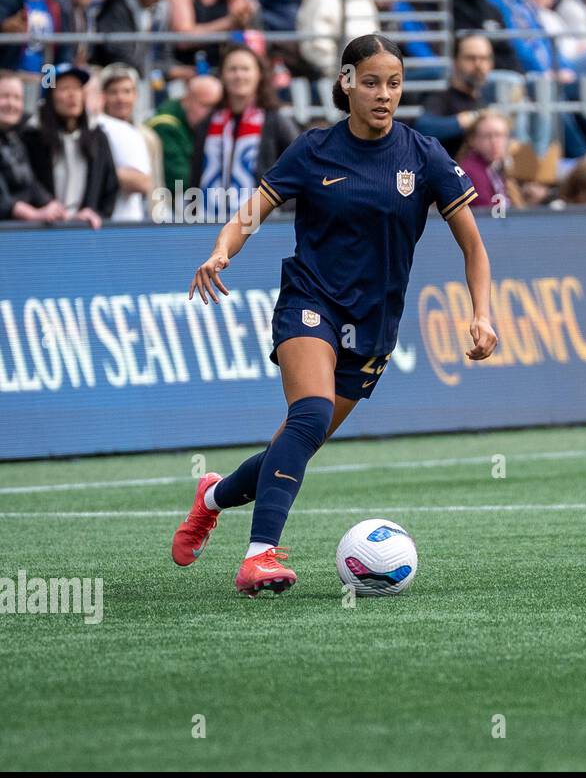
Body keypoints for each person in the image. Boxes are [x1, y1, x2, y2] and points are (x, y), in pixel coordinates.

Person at [174, 33, 498, 596]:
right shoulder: (313, 149)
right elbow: (250, 215)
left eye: (394, 84)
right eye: (371, 82)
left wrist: (482, 315)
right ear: (346, 83)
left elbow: (473, 245)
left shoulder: (424, 156)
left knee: (298, 441)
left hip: (374, 328)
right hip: (310, 301)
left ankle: (210, 498)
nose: (384, 94)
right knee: (309, 415)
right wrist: (222, 250)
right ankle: (258, 558)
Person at [192, 44, 299, 221]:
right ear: (223, 76)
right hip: (209, 222)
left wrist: (278, 209)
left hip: (263, 224)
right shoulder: (209, 122)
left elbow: (299, 170)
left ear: (259, 75)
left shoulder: (276, 120)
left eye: (245, 69)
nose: (239, 75)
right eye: (232, 69)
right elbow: (196, 174)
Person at [20, 63, 118, 228]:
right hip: (41, 230)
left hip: (85, 229)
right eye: (64, 88)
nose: (73, 95)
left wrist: (95, 213)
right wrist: (46, 208)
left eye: (78, 88)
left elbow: (110, 184)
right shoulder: (32, 137)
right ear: (50, 96)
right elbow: (24, 182)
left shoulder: (97, 137)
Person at [95, 63, 159, 221]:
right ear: (103, 96)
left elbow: (154, 183)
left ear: (135, 95)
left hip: (140, 220)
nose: (120, 98)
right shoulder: (94, 130)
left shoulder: (148, 136)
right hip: (105, 219)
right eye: (113, 92)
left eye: (126, 91)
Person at [0, 68, 65, 222]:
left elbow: (30, 185)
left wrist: (58, 210)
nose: (11, 104)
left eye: (17, 98)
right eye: (4, 96)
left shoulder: (15, 138)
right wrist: (32, 214)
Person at [411, 34, 493, 154]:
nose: (478, 65)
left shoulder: (486, 99)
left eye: (484, 58)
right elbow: (422, 128)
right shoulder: (441, 97)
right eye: (470, 58)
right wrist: (466, 120)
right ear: (455, 62)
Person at [146, 73, 222, 201]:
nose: (211, 113)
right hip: (172, 207)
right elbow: (179, 181)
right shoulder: (165, 125)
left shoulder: (202, 123)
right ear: (187, 100)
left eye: (215, 107)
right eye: (205, 105)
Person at [92, 0, 172, 77]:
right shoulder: (116, 3)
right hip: (114, 75)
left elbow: (164, 52)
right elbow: (119, 55)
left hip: (147, 73)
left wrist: (167, 69)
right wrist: (165, 71)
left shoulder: (161, 7)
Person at [459, 109, 520, 209]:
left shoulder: (494, 166)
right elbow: (489, 215)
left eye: (499, 135)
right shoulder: (471, 172)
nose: (494, 142)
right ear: (473, 140)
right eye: (487, 136)